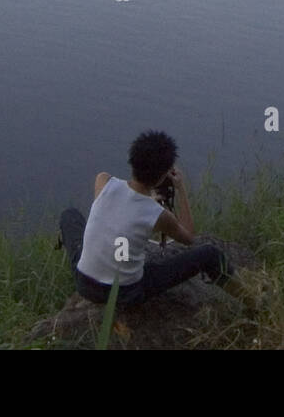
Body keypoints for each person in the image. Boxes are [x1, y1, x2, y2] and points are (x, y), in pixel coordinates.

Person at [59, 130, 263, 309]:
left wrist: (144, 200)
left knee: (70, 216)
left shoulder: (103, 181)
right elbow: (189, 237)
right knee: (209, 254)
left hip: (84, 283)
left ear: (132, 161)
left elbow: (114, 214)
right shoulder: (156, 213)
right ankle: (255, 303)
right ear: (162, 177)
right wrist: (180, 188)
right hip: (126, 293)